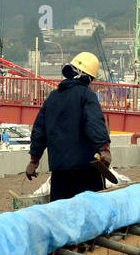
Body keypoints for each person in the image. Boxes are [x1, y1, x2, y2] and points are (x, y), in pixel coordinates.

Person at [25, 52, 111, 201]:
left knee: (61, 212)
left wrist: (34, 160)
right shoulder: (86, 95)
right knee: (91, 210)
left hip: (59, 171)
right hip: (86, 169)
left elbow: (39, 131)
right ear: (88, 77)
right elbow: (94, 123)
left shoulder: (52, 98)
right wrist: (104, 149)